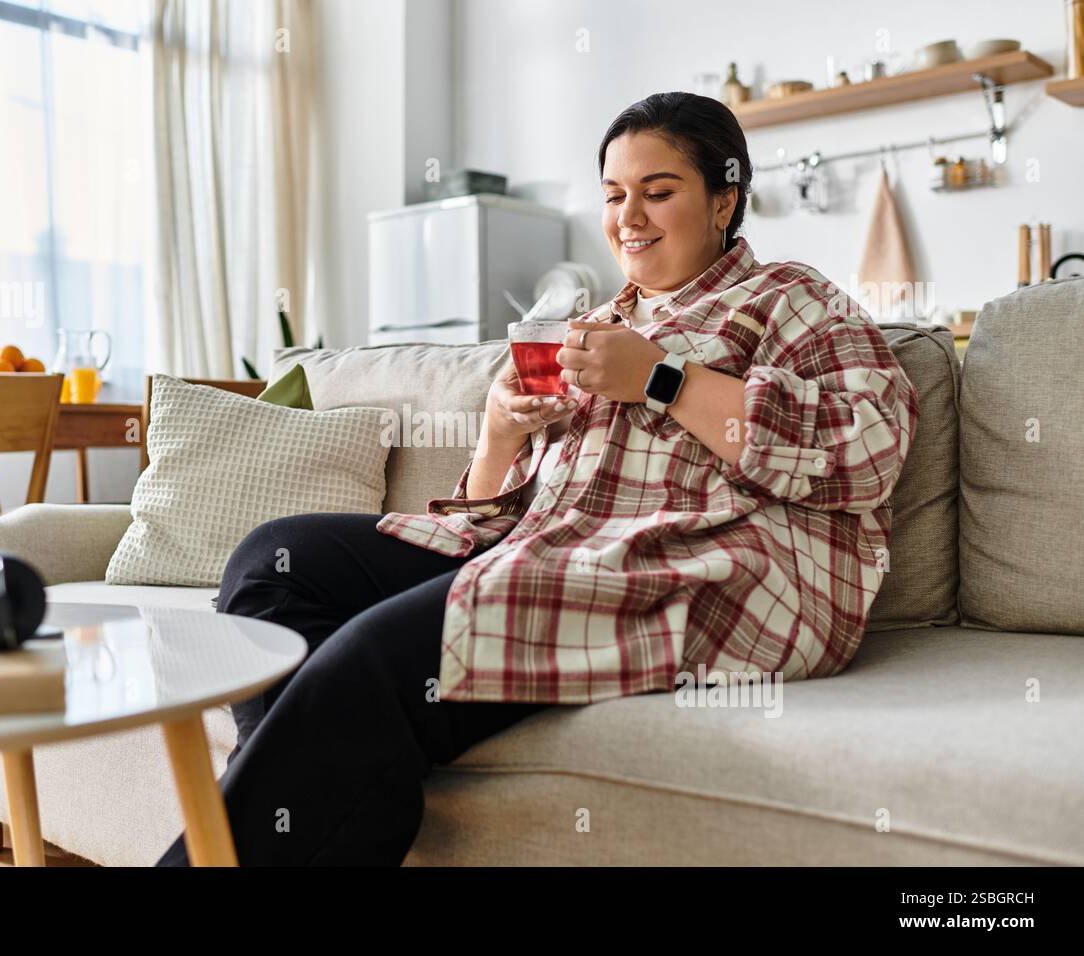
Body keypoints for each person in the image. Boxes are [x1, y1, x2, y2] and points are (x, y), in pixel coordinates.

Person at [157, 91, 920, 867]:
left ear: (725, 199)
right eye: (614, 196)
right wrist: (497, 436)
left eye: (659, 193)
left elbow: (869, 447)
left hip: (688, 565)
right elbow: (506, 507)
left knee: (374, 653)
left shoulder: (790, 298)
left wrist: (664, 380)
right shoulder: (592, 327)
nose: (630, 217)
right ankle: (338, 806)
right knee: (274, 563)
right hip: (544, 544)